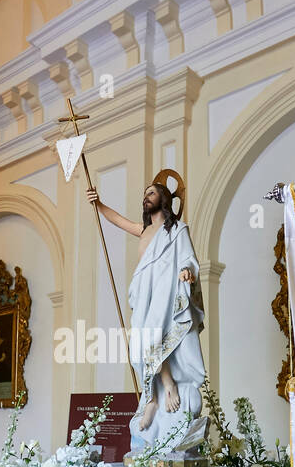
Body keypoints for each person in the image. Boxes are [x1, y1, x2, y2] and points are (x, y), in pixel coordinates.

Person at [87, 178, 206, 451]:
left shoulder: (176, 229)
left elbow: (188, 257)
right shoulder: (143, 230)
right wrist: (99, 203)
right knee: (139, 346)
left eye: (151, 193)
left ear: (164, 199)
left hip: (165, 289)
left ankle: (167, 385)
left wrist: (187, 270)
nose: (146, 197)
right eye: (144, 194)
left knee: (153, 338)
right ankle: (151, 398)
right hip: (144, 291)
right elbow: (117, 220)